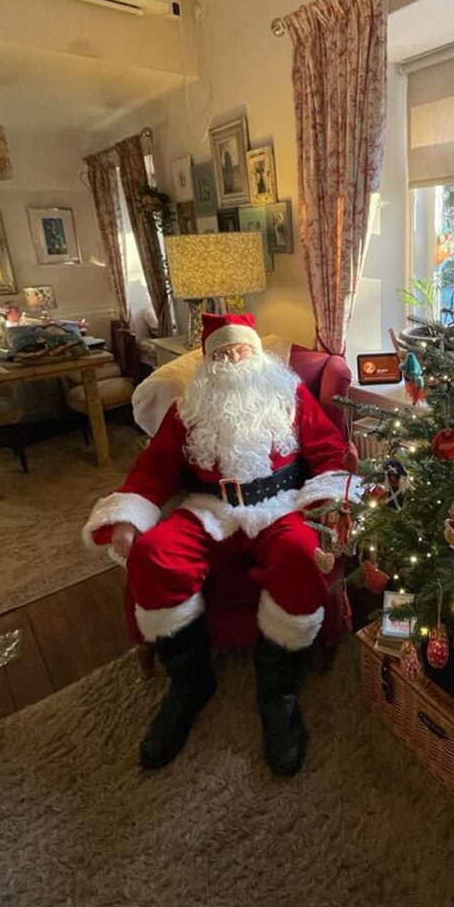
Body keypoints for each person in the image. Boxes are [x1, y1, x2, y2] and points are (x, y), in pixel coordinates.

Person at [83, 313, 351, 776]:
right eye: (221, 354)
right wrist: (126, 518)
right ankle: (190, 684)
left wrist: (328, 497)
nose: (231, 359)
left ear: (258, 355)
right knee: (155, 554)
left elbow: (330, 450)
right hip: (209, 507)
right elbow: (154, 471)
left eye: (240, 350)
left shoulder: (291, 395)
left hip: (282, 505)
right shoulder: (186, 409)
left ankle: (278, 689)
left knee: (302, 556)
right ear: (207, 364)